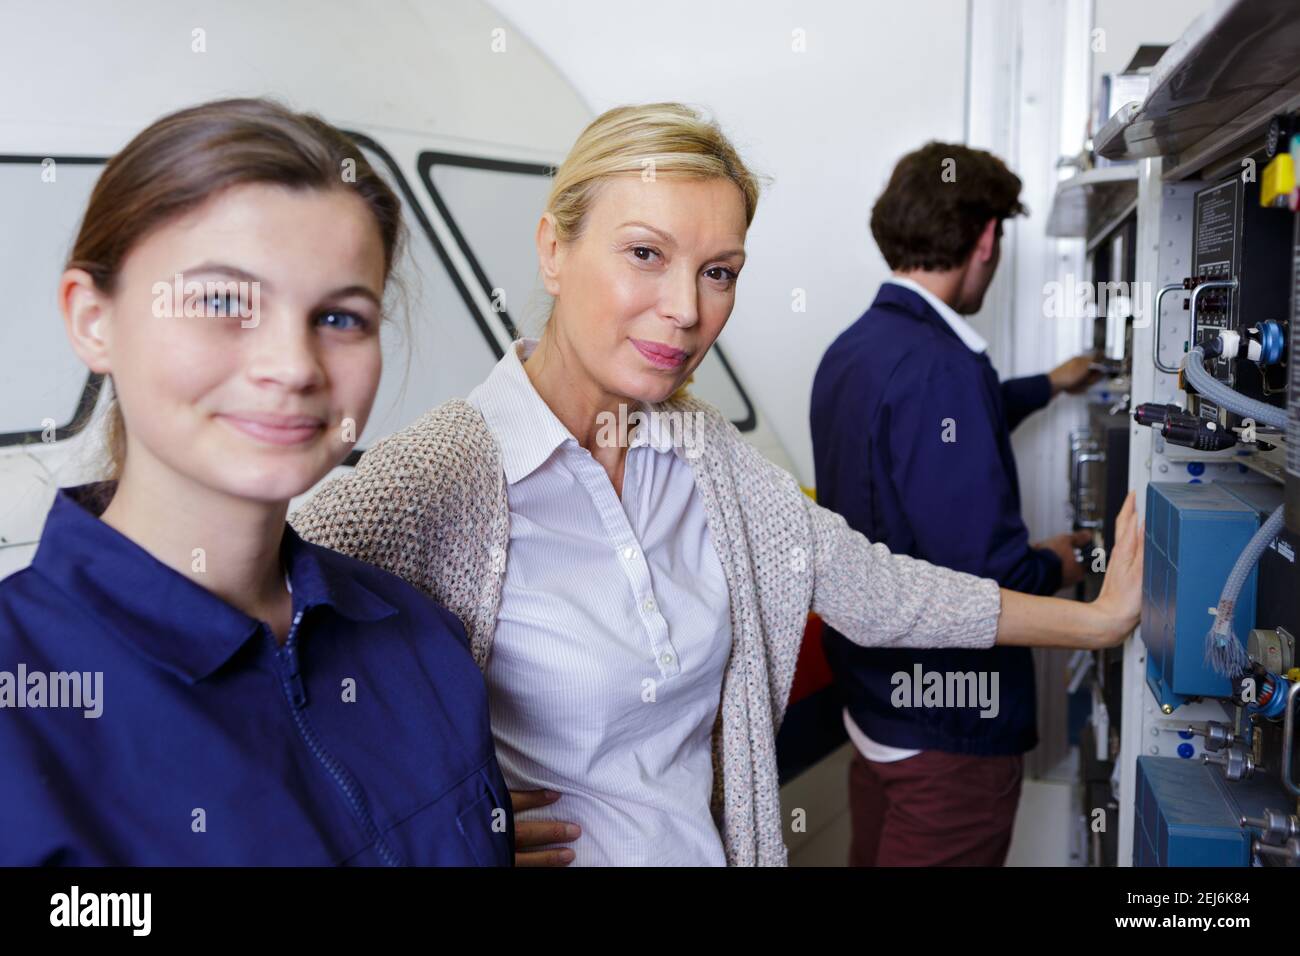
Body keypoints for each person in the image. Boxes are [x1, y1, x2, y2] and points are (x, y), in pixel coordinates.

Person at [290, 104, 1144, 867]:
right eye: (644, 255)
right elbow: (219, 684)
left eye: (719, 271)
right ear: (553, 249)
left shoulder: (702, 453)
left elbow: (879, 588)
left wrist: (1098, 622)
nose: (687, 310)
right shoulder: (429, 481)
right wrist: (428, 835)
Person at [0, 98, 512, 866]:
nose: (293, 366)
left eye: (340, 319)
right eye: (222, 302)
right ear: (92, 320)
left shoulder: (420, 638)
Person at [810, 140, 1106, 867]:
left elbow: (920, 444)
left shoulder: (856, 350)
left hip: (878, 705)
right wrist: (1068, 563)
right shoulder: (943, 368)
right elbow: (991, 579)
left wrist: (1046, 385)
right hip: (948, 731)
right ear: (986, 239)